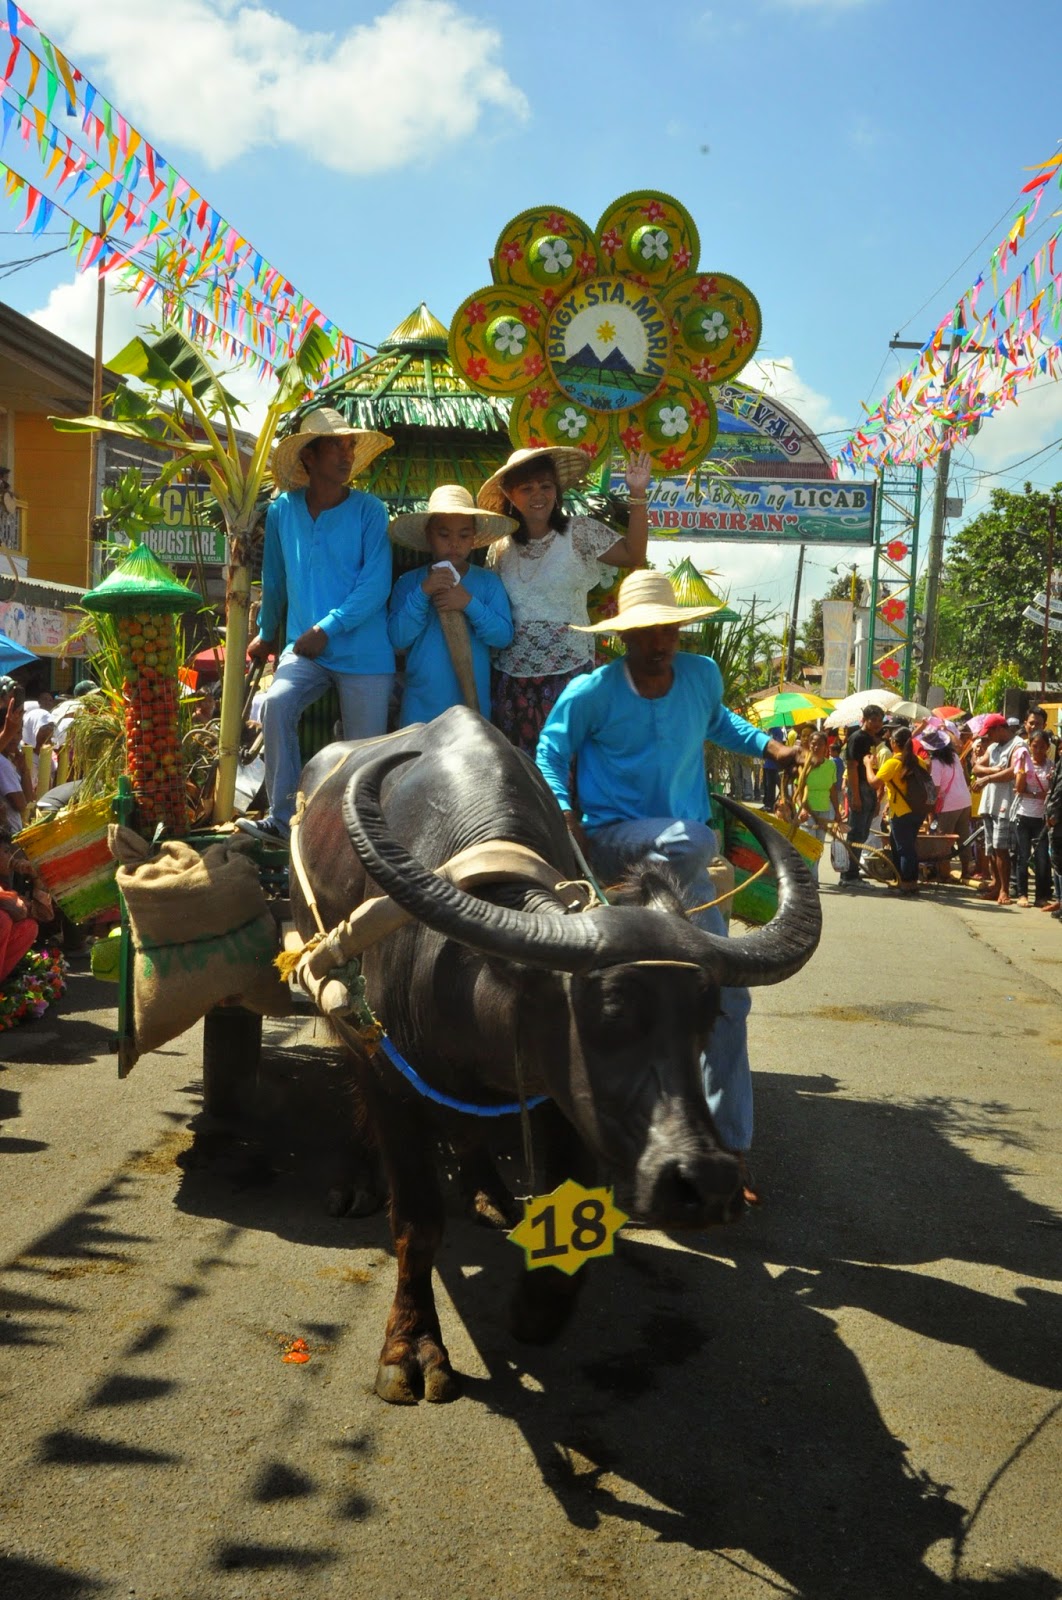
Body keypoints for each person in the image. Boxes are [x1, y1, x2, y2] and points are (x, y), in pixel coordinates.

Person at [534, 570, 800, 1197]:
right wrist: (563, 811)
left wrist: (769, 749)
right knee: (694, 839)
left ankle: (731, 1148)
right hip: (617, 844)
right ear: (623, 638)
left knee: (728, 996)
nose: (660, 642)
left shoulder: (701, 676)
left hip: (683, 868)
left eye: (669, 630)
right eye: (647, 632)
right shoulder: (592, 691)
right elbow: (549, 752)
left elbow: (719, 722)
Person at [241, 408, 395, 843]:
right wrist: (266, 632)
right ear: (308, 456)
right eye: (335, 446)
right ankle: (282, 818)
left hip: (364, 653)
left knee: (364, 756)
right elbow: (274, 579)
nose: (347, 455)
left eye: (350, 446)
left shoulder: (370, 510)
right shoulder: (282, 511)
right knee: (276, 704)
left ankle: (361, 838)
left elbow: (376, 585)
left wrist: (327, 628)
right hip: (304, 651)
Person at [478, 444, 652, 753]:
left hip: (569, 674)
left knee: (568, 763)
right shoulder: (500, 548)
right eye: (527, 488)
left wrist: (637, 495)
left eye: (546, 486)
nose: (538, 495)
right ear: (509, 495)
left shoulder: (580, 532)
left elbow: (633, 554)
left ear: (557, 490)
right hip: (510, 680)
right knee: (520, 769)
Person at [387, 486, 515, 726]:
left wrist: (468, 603)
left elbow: (502, 638)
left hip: (472, 712)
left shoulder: (488, 582)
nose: (454, 543)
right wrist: (423, 592)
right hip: (419, 712)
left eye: (464, 536)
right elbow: (398, 639)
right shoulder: (409, 583)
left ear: (474, 538)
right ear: (428, 536)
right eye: (444, 535)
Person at [865, 726, 926, 895]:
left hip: (901, 812)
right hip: (917, 810)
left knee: (903, 848)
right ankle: (907, 881)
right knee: (907, 846)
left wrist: (868, 764)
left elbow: (874, 782)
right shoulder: (918, 761)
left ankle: (906, 884)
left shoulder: (893, 763)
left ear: (893, 743)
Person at [973, 713, 1022, 906]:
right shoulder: (993, 747)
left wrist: (987, 778)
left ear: (1000, 729)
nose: (988, 737)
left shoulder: (1018, 745)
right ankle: (996, 885)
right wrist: (992, 771)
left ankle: (1004, 890)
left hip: (1005, 803)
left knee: (1001, 849)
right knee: (991, 848)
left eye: (990, 733)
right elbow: (976, 768)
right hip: (989, 803)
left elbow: (1013, 772)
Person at [920, 725, 973, 880]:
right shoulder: (954, 756)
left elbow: (935, 790)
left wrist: (928, 809)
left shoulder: (936, 763)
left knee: (943, 840)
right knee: (964, 838)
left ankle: (944, 874)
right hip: (964, 800)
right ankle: (965, 871)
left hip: (949, 805)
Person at [841, 703, 885, 884]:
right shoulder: (857, 738)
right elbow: (852, 767)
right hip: (859, 787)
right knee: (855, 834)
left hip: (869, 789)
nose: (877, 724)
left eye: (880, 720)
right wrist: (856, 796)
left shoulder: (872, 739)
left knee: (863, 833)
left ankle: (853, 872)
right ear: (864, 720)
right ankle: (848, 875)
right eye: (873, 720)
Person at [1011, 728, 1054, 907]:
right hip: (1023, 815)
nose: (1038, 750)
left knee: (1042, 858)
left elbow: (1053, 792)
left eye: (1042, 746)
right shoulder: (1024, 764)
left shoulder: (1052, 766)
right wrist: (1022, 768)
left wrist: (1049, 782)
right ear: (1029, 746)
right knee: (1023, 856)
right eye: (1035, 746)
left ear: (1047, 747)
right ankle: (1022, 894)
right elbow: (1019, 789)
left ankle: (1040, 896)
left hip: (1042, 818)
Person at [795, 729, 839, 885]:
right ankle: (809, 879)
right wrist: (802, 808)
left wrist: (837, 811)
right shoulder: (803, 764)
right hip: (807, 812)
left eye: (820, 744)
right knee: (808, 845)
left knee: (818, 847)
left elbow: (833, 790)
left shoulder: (831, 765)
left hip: (824, 810)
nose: (816, 747)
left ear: (826, 746)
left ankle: (813, 877)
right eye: (813, 744)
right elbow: (798, 790)